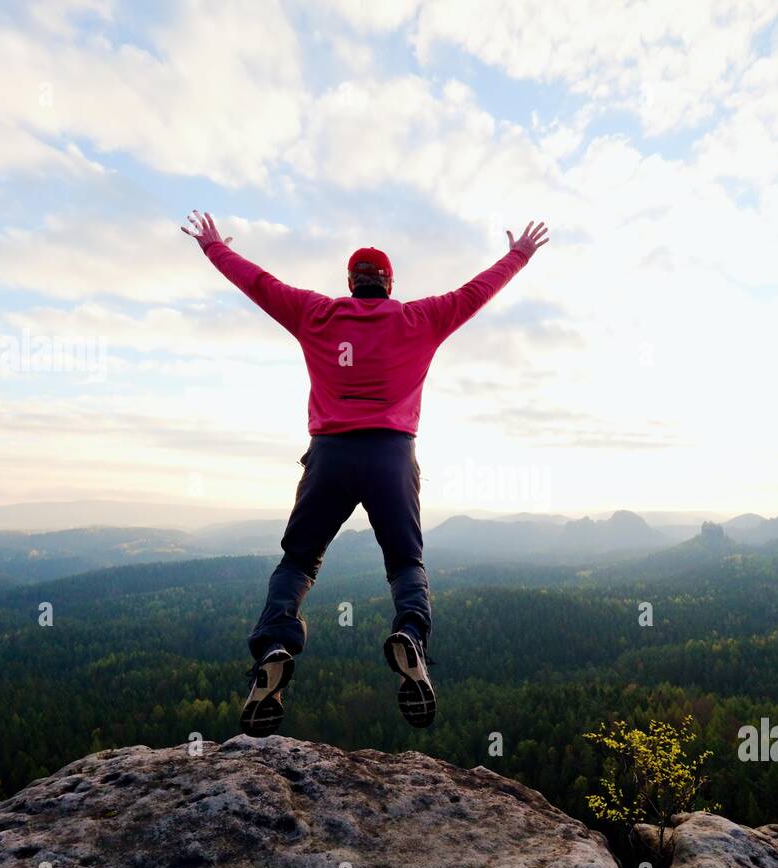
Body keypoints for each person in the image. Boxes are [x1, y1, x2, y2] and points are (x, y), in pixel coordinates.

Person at [181, 211, 549, 737]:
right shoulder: (419, 319)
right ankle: (412, 638)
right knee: (405, 562)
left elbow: (259, 284)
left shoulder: (317, 314)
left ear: (351, 284)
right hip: (392, 458)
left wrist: (214, 247)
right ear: (390, 284)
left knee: (299, 560)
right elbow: (475, 293)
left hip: (330, 455)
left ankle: (275, 646)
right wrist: (519, 255)